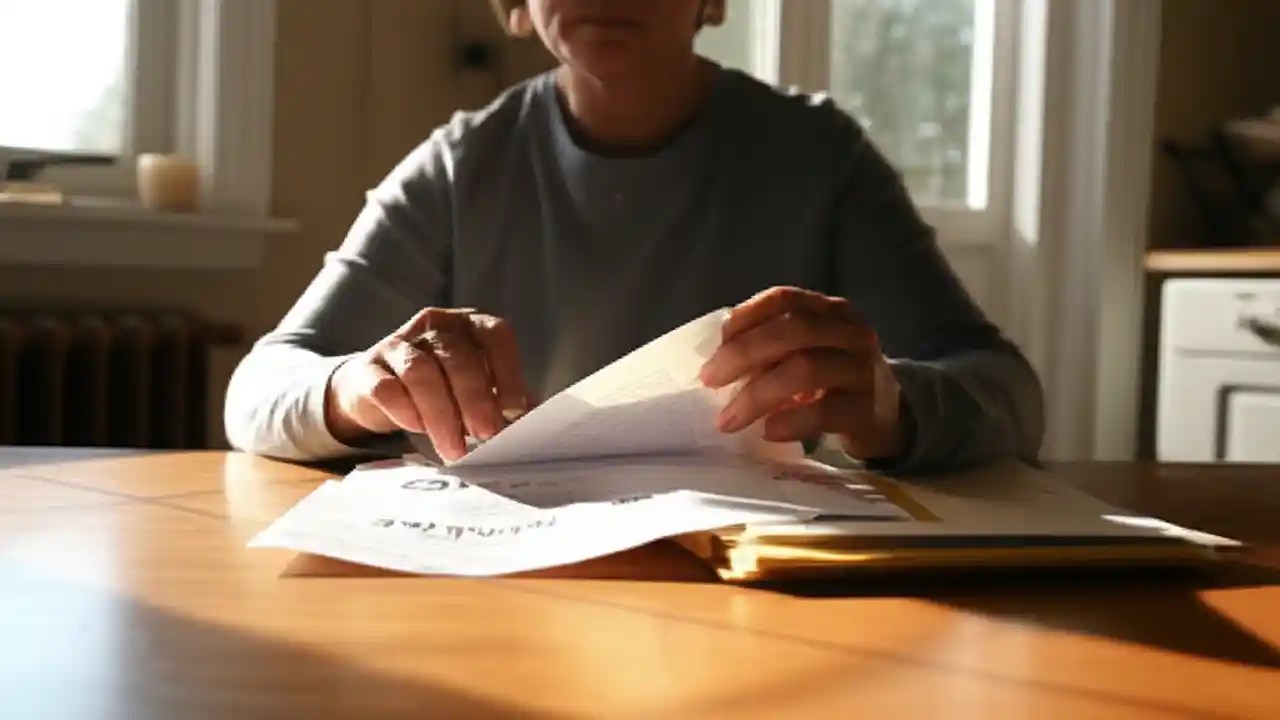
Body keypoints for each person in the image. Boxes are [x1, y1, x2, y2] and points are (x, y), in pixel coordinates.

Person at [224, 0, 1044, 473]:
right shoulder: (460, 167)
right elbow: (257, 391)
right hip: (519, 591)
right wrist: (360, 387)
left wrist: (891, 403)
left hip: (759, 590)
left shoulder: (822, 160)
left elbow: (1004, 390)